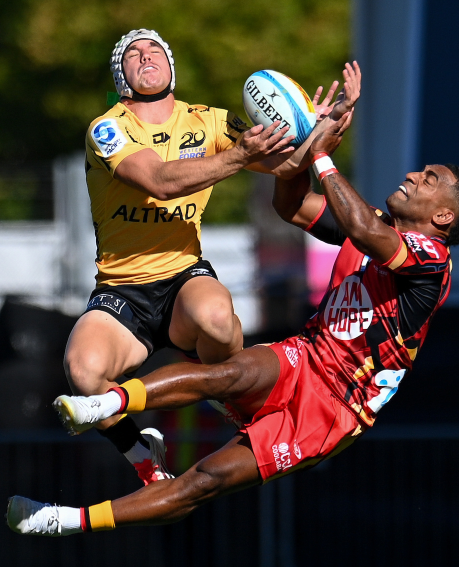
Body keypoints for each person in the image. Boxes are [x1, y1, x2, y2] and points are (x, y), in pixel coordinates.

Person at [9, 63, 459, 536]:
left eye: (428, 179)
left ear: (443, 216)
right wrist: (307, 137)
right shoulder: (379, 224)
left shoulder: (431, 259)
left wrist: (320, 156)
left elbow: (361, 229)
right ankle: (109, 403)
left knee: (205, 481)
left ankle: (64, 521)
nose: (413, 175)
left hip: (334, 406)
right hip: (307, 356)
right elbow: (292, 206)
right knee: (228, 373)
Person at [67, 28, 331, 485]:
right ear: (122, 75)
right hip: (121, 290)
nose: (146, 56)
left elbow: (286, 164)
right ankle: (142, 456)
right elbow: (160, 181)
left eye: (155, 50)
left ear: (171, 66)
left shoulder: (208, 120)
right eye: (134, 53)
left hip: (183, 276)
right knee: (83, 372)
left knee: (214, 315)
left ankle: (224, 392)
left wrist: (321, 130)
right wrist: (239, 157)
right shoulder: (107, 128)